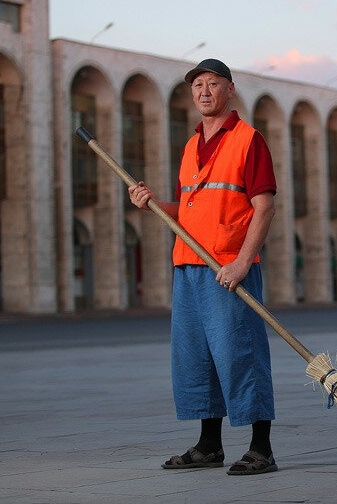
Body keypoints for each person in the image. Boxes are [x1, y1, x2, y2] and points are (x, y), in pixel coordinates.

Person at [127, 59, 278, 475]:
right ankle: (209, 445)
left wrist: (243, 262)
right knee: (197, 357)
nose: (204, 91)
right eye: (197, 85)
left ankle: (261, 448)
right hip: (190, 266)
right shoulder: (191, 147)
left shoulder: (249, 140)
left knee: (240, 354)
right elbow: (190, 214)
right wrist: (154, 203)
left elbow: (264, 207)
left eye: (213, 84)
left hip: (229, 269)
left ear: (230, 90)